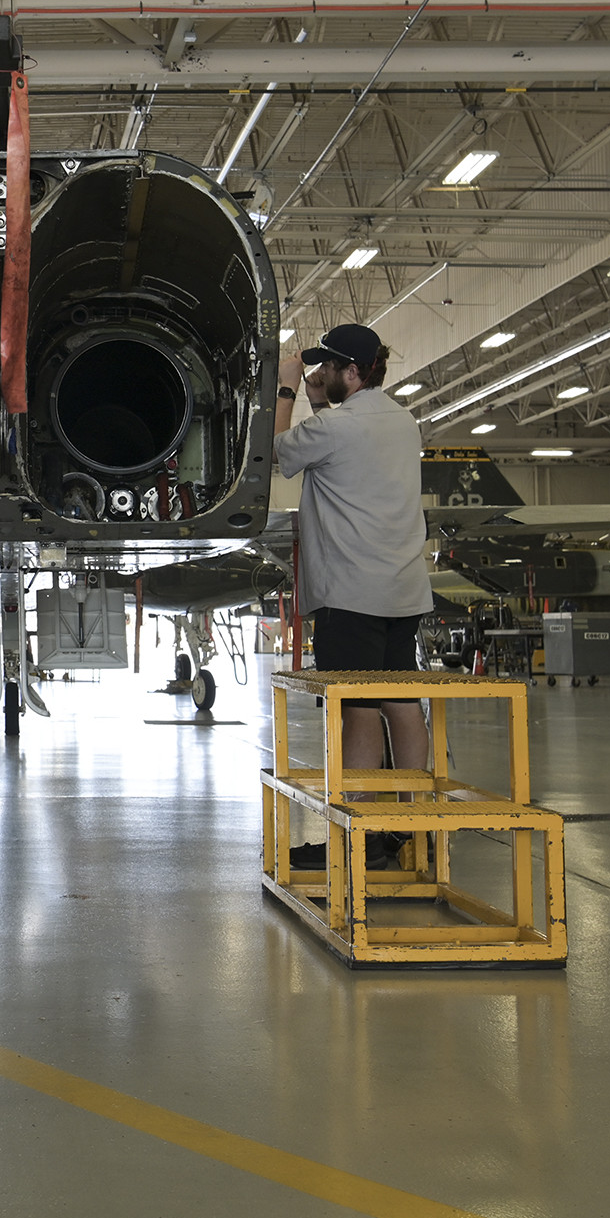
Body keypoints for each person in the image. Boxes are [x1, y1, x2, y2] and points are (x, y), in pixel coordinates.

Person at [274, 323, 435, 869]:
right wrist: (322, 402)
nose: (319, 373)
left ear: (353, 371)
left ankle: (357, 839)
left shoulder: (336, 428)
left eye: (327, 367)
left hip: (351, 594)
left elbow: (277, 452)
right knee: (401, 701)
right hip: (403, 590)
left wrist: (287, 389)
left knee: (357, 709)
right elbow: (340, 450)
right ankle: (412, 827)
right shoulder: (402, 421)